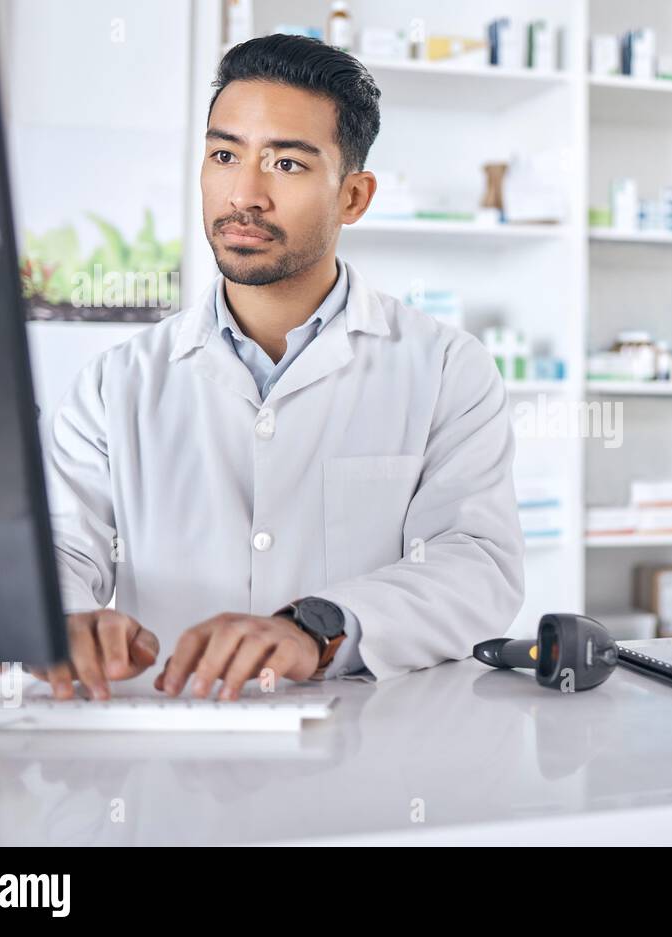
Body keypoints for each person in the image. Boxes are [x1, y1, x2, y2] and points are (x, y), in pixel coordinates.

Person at [38, 35, 524, 701]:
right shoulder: (115, 381)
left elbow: (475, 565)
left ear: (353, 198)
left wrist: (313, 627)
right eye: (224, 154)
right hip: (166, 749)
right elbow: (62, 545)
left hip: (362, 752)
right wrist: (66, 616)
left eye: (287, 165)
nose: (245, 194)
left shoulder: (445, 368)